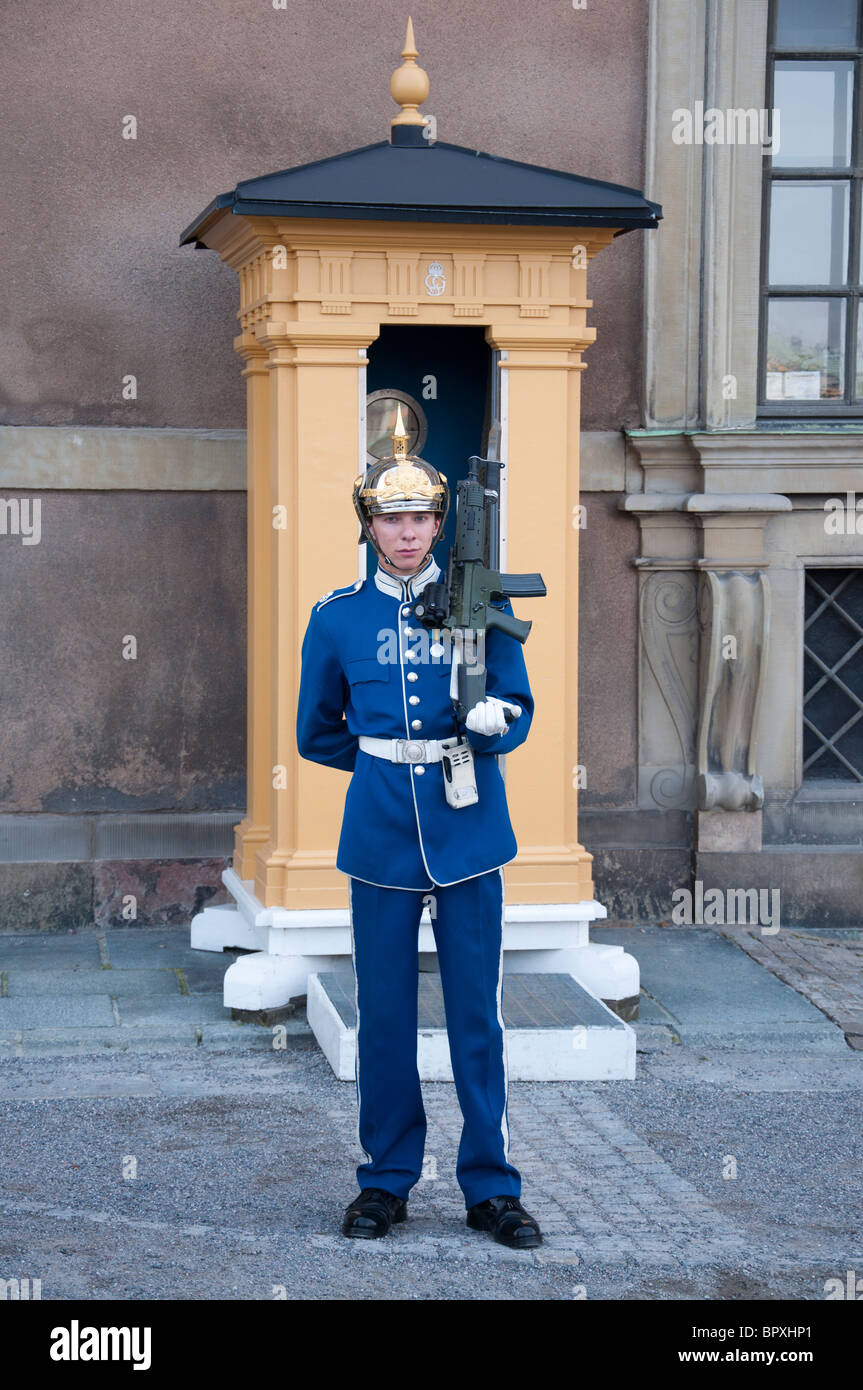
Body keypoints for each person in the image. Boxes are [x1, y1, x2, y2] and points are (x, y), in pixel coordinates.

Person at [296, 408, 542, 1249]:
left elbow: (519, 708)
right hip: (380, 833)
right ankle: (386, 1180)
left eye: (420, 518)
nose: (405, 533)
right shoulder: (336, 617)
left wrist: (491, 723)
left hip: (469, 833)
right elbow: (315, 732)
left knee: (477, 1015)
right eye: (389, 518)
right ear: (367, 524)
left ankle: (490, 1188)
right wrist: (389, 760)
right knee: (387, 1015)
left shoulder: (477, 599)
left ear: (441, 522)